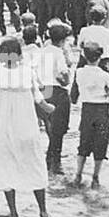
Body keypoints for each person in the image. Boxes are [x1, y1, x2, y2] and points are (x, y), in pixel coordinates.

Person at [0, 36, 51, 217]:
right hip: (26, 123)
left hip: (3, 124)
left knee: (6, 166)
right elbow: (38, 97)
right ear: (19, 55)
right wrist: (47, 107)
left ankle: (14, 214)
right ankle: (43, 211)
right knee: (33, 162)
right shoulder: (27, 72)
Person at [71, 43, 109, 188]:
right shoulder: (104, 75)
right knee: (100, 143)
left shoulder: (79, 72)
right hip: (102, 110)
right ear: (100, 57)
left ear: (84, 56)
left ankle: (78, 174)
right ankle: (95, 177)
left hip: (87, 110)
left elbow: (74, 95)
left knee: (84, 142)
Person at [40, 20, 74, 174]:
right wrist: (66, 81)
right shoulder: (58, 53)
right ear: (61, 41)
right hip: (57, 90)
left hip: (44, 90)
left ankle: (50, 157)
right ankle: (55, 160)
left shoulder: (43, 51)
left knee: (50, 126)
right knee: (59, 128)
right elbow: (63, 73)